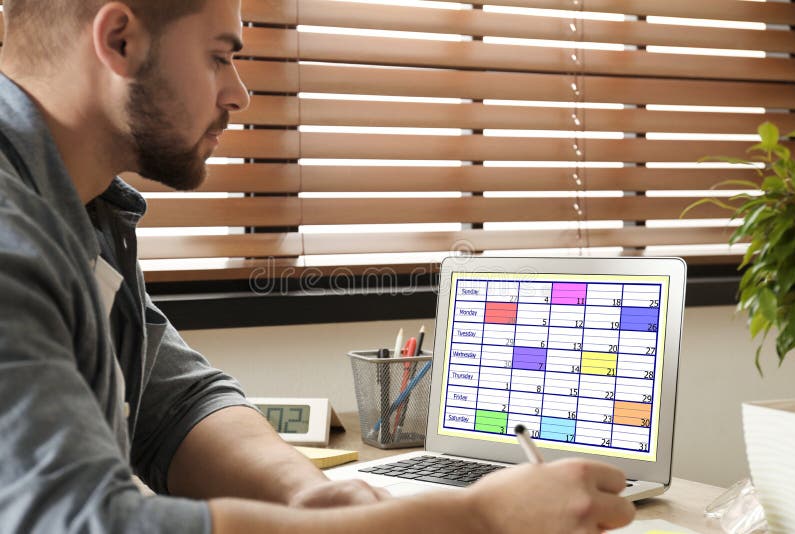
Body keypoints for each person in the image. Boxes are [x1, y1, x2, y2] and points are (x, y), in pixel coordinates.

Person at [0, 1, 636, 532]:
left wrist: (308, 494)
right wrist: (475, 519)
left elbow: (173, 403)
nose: (240, 93)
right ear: (119, 39)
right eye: (219, 57)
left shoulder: (83, 213)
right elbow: (75, 519)